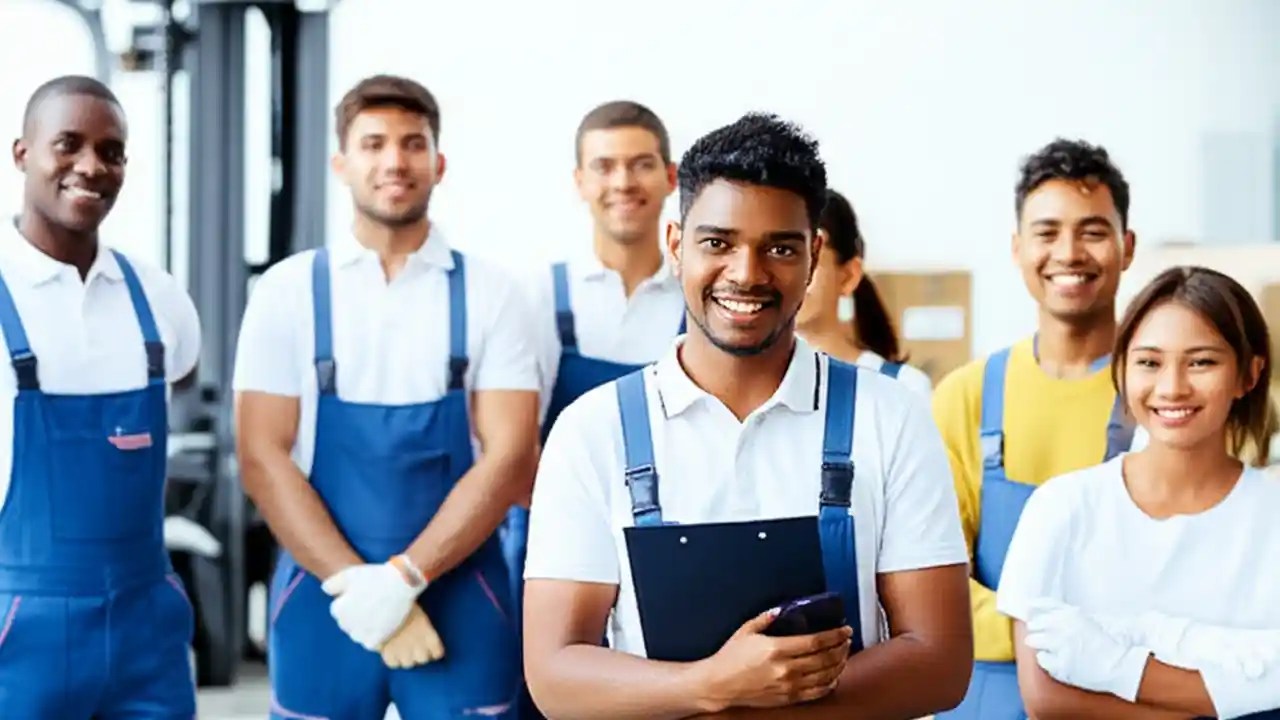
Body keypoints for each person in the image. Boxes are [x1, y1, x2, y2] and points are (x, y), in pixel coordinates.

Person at [521, 112, 973, 720]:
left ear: (814, 257)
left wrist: (753, 702)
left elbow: (939, 662)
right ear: (676, 245)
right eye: (718, 243)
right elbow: (554, 676)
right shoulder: (592, 432)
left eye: (780, 248)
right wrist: (712, 685)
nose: (746, 273)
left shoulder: (889, 417)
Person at [234, 74, 540, 719]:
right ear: (342, 163)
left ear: (439, 162)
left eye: (412, 143)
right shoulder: (287, 292)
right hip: (323, 598)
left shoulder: (493, 293)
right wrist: (356, 588)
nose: (394, 160)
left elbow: (509, 455)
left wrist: (403, 580)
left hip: (463, 591)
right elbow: (262, 456)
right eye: (373, 144)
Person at [0, 75, 202, 718]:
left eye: (110, 151)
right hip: (19, 631)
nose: (91, 166)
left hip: (147, 633)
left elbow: (186, 375)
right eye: (68, 144)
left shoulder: (158, 298)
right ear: (22, 153)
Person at [998, 266, 1280, 719]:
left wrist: (1112, 664)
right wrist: (1237, 686)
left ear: (1249, 374)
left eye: (1201, 362)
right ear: (1122, 371)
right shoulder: (1061, 508)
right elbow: (1048, 701)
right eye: (1149, 362)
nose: (1172, 387)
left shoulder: (1272, 519)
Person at [932, 138, 1146, 720]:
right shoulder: (966, 396)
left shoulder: (1164, 397)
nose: (1069, 252)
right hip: (983, 698)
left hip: (1120, 697)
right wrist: (1063, 639)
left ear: (1126, 247)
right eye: (1047, 232)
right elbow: (936, 584)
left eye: (1093, 231)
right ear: (1018, 247)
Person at [503, 100, 686, 716]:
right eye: (603, 166)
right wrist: (582, 528)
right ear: (579, 182)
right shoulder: (534, 298)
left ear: (672, 175)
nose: (622, 182)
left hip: (674, 546)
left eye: (640, 164)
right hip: (555, 546)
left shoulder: (702, 295)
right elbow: (510, 442)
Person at [796, 188, 932, 397]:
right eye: (780, 253)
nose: (791, 277)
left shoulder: (903, 388)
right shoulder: (743, 387)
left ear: (849, 275)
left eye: (809, 259)